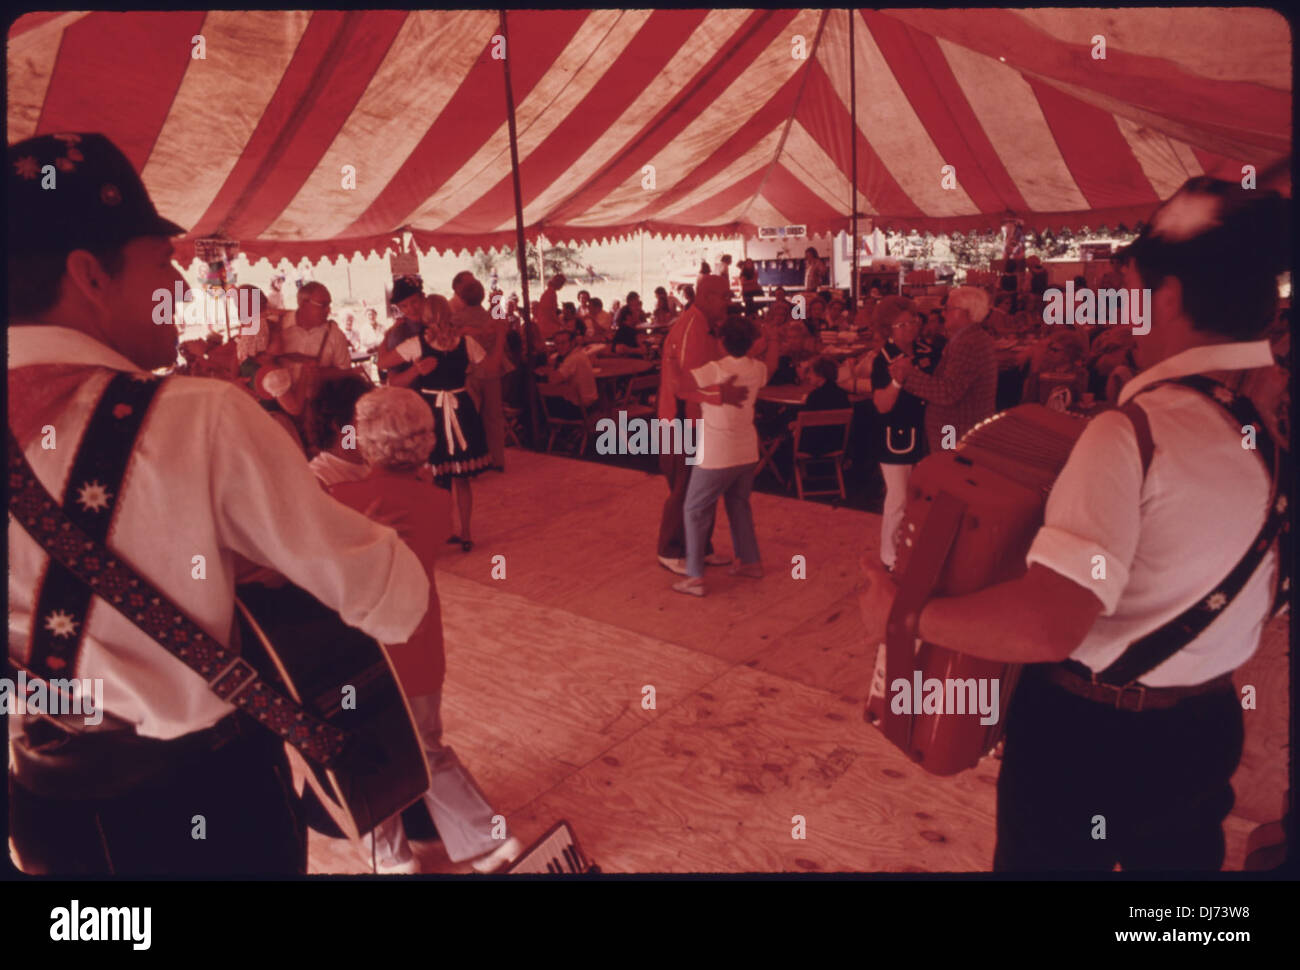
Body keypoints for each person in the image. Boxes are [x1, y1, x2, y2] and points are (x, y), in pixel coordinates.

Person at [6, 132, 429, 876]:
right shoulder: (199, 417)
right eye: (161, 263)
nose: (180, 285)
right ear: (89, 275)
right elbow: (392, 603)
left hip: (45, 818)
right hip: (203, 813)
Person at [859, 176, 1291, 872]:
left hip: (1090, 735)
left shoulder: (1133, 433)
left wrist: (904, 615)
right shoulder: (1267, 424)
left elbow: (1048, 625)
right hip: (1205, 723)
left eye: (1131, 293)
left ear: (1168, 297)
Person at [329, 387, 520, 874]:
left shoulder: (339, 501)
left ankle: (393, 859)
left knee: (362, 757)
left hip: (359, 653)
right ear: (426, 441)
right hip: (419, 646)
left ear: (365, 441)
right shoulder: (435, 502)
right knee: (427, 748)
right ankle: (487, 840)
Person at [378, 295, 491, 551]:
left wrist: (387, 336)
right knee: (461, 477)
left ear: (425, 317)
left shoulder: (416, 343)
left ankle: (443, 528)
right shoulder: (466, 342)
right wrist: (500, 334)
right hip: (461, 407)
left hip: (431, 411)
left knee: (436, 474)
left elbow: (383, 364)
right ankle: (466, 533)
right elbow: (491, 368)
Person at [655, 275, 749, 574]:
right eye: (725, 297)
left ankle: (700, 547)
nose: (728, 302)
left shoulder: (707, 327)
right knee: (684, 489)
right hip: (681, 424)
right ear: (707, 297)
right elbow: (680, 385)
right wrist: (722, 395)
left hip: (700, 421)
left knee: (705, 489)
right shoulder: (690, 328)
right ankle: (670, 551)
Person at [672, 317, 768, 596]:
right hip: (746, 449)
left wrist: (671, 359)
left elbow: (680, 388)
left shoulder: (714, 369)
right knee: (739, 505)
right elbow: (765, 367)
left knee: (694, 509)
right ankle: (750, 562)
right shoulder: (758, 369)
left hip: (717, 452)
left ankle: (694, 577)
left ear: (722, 342)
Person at [889, 285, 997, 452]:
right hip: (961, 427)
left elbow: (948, 392)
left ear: (967, 312)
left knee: (948, 465)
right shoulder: (973, 337)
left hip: (955, 429)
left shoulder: (967, 343)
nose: (943, 313)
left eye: (948, 308)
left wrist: (909, 374)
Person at [869, 297, 926, 572]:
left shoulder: (927, 351)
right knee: (898, 498)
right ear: (888, 328)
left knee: (919, 497)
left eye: (912, 321)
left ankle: (912, 548)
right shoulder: (882, 360)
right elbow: (882, 405)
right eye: (902, 324)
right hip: (896, 437)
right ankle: (889, 556)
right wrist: (897, 381)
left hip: (925, 434)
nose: (910, 328)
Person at [451, 272, 509, 471]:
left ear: (462, 298)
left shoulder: (456, 319)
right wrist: (497, 303)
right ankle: (498, 459)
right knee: (494, 417)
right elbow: (503, 324)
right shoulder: (493, 316)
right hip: (493, 371)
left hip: (469, 372)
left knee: (469, 416)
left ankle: (473, 459)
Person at [306, 372, 372, 487]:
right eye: (365, 421)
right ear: (339, 425)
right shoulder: (319, 477)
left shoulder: (374, 467)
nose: (374, 428)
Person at [541, 329, 598, 418]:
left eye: (563, 343)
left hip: (581, 408)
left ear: (572, 343)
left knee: (538, 403)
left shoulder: (573, 359)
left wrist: (550, 367)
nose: (560, 346)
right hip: (588, 403)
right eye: (557, 343)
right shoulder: (578, 354)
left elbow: (553, 380)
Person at [535, 273, 564, 339]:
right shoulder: (551, 293)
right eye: (561, 284)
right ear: (558, 283)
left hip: (545, 323)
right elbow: (550, 313)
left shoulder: (549, 291)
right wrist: (560, 323)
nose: (562, 287)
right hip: (547, 325)